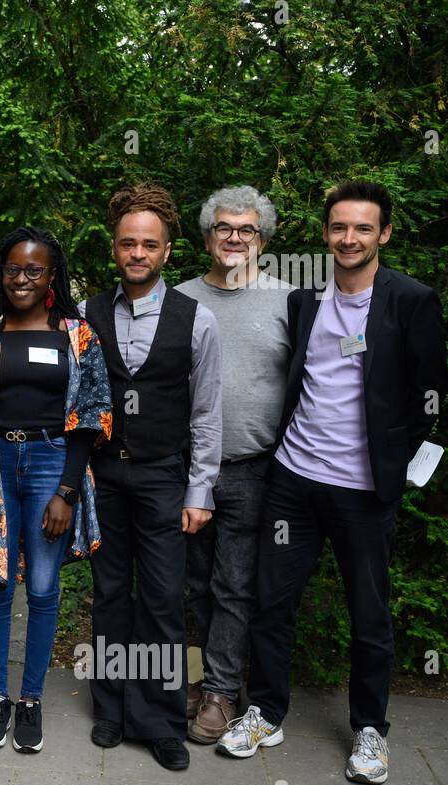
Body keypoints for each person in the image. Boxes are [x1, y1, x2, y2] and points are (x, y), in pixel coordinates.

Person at [218, 181, 448, 785]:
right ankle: (266, 711)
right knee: (272, 603)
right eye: (339, 228)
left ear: (384, 235)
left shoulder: (411, 300)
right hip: (293, 480)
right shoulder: (305, 303)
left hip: (365, 492)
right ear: (325, 234)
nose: (349, 238)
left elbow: (431, 395)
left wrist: (394, 457)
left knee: (368, 613)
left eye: (363, 228)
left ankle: (370, 729)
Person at [0, 226, 112, 754]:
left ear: (52, 275)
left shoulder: (76, 333)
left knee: (42, 589)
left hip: (51, 464)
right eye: (13, 269)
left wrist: (66, 491)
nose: (21, 279)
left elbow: (92, 414)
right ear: (1, 273)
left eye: (34, 270)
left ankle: (31, 700)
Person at [82, 182, 223, 772]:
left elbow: (208, 413)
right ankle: (112, 708)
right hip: (104, 476)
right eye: (127, 244)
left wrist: (200, 490)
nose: (137, 254)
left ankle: (160, 718)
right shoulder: (87, 314)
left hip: (165, 477)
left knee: (164, 600)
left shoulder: (198, 320)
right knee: (111, 595)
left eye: (149, 245)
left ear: (167, 252)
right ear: (114, 249)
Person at [175, 186, 293, 743]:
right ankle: (203, 681)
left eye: (247, 230)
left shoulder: (291, 302)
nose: (235, 238)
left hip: (254, 468)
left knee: (234, 585)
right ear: (207, 237)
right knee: (194, 582)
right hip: (187, 467)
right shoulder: (178, 300)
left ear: (263, 241)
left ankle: (222, 692)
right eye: (225, 228)